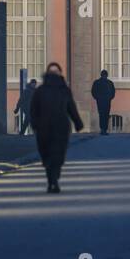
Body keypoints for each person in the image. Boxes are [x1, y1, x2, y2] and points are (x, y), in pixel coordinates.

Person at [29, 62, 83, 192]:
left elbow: (70, 107)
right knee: (54, 155)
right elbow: (71, 108)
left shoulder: (42, 91)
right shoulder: (55, 90)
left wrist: (35, 125)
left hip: (48, 127)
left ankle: (52, 180)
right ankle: (53, 179)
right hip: (56, 126)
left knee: (50, 155)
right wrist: (77, 123)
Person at [91, 69, 116, 135]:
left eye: (105, 75)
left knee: (104, 115)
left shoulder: (108, 83)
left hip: (104, 101)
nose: (104, 76)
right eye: (104, 75)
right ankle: (103, 129)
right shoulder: (99, 82)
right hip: (102, 101)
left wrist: (109, 98)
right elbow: (93, 92)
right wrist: (98, 98)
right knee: (103, 115)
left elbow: (113, 92)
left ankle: (104, 129)